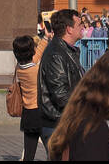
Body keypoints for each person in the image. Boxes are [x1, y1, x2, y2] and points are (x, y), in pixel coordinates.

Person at [36, 8, 84, 153]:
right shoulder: (56, 54)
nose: (83, 27)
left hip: (66, 122)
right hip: (57, 124)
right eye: (79, 24)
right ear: (69, 29)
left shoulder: (67, 51)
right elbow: (61, 95)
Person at [12, 35, 46, 162]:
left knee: (29, 154)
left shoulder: (20, 68)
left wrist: (46, 39)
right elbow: (37, 58)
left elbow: (35, 57)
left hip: (28, 114)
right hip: (40, 112)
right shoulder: (36, 69)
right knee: (53, 150)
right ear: (31, 51)